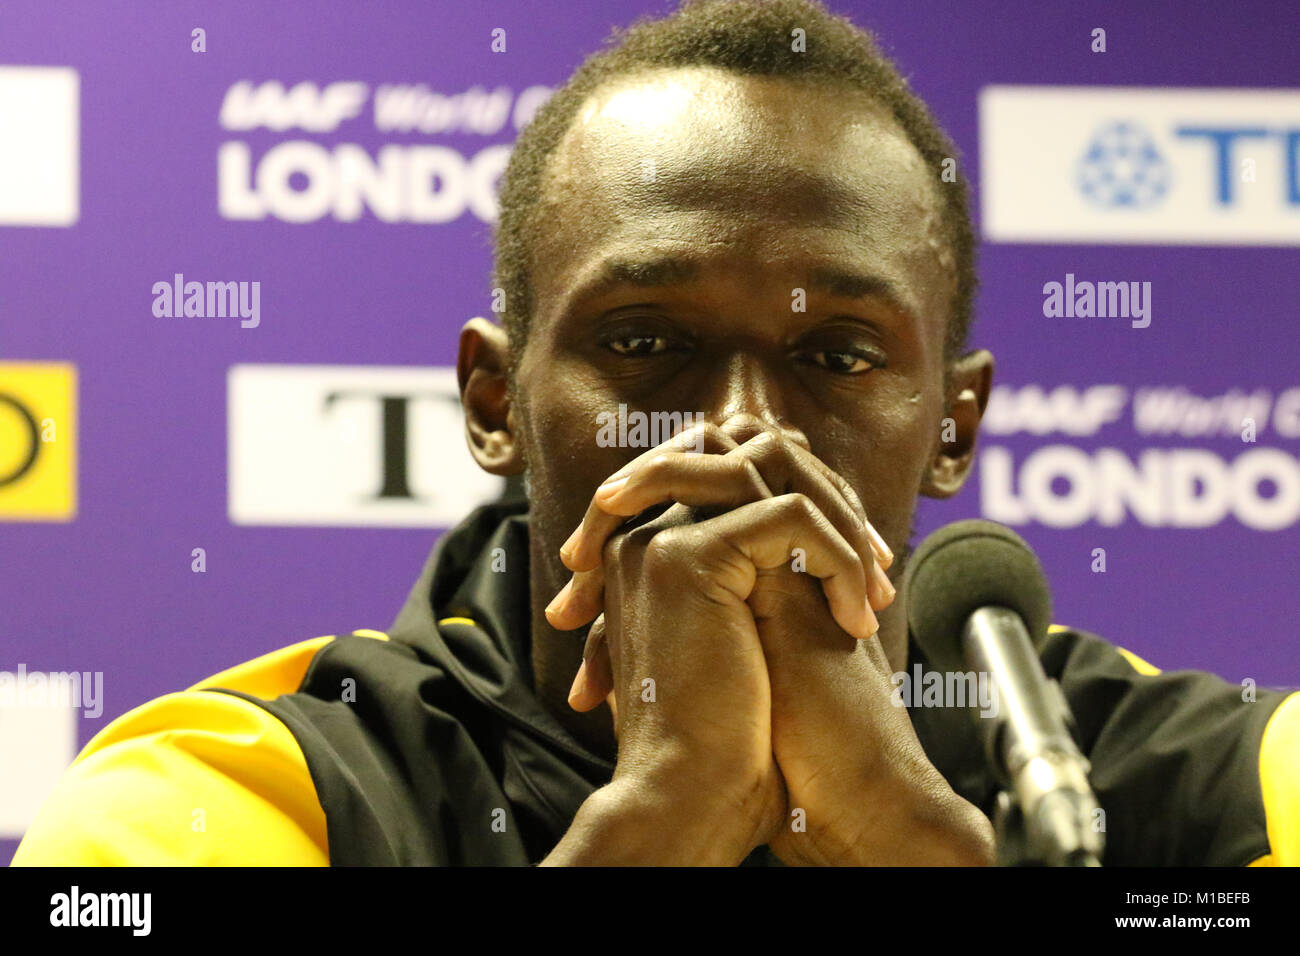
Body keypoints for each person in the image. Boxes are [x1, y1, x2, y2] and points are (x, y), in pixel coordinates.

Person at [14, 0, 1298, 867]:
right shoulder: (240, 792)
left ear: (952, 425)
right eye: (644, 341)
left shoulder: (1206, 784)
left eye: (837, 356)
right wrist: (658, 830)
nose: (742, 430)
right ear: (492, 402)